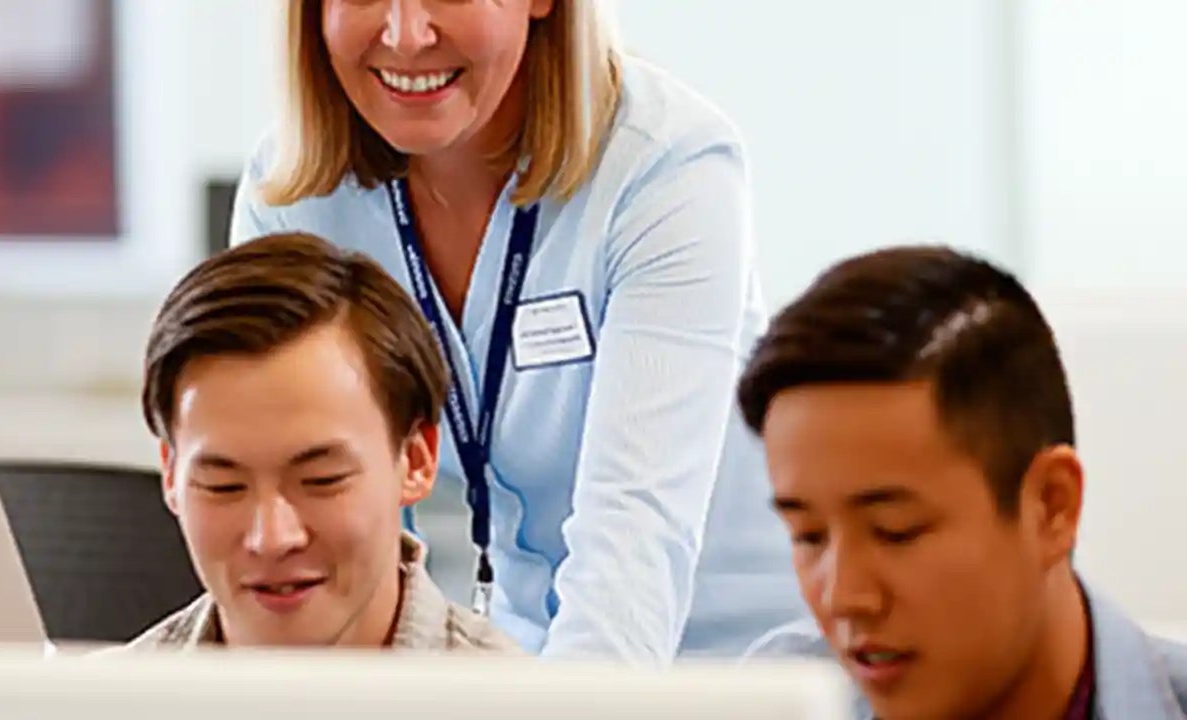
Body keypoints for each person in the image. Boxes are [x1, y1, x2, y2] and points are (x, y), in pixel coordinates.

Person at [226, 0, 802, 662]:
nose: (406, 35)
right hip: (526, 659)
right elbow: (321, 546)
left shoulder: (666, 167)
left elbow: (635, 536)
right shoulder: (294, 199)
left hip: (738, 663)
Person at [737, 246, 1187, 719]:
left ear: (1053, 505)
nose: (843, 597)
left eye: (896, 530)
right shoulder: (781, 700)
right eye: (808, 536)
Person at [127, 232, 519, 653]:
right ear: (170, 475)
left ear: (415, 460)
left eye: (321, 480)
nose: (272, 538)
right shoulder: (87, 704)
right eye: (224, 486)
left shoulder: (530, 708)